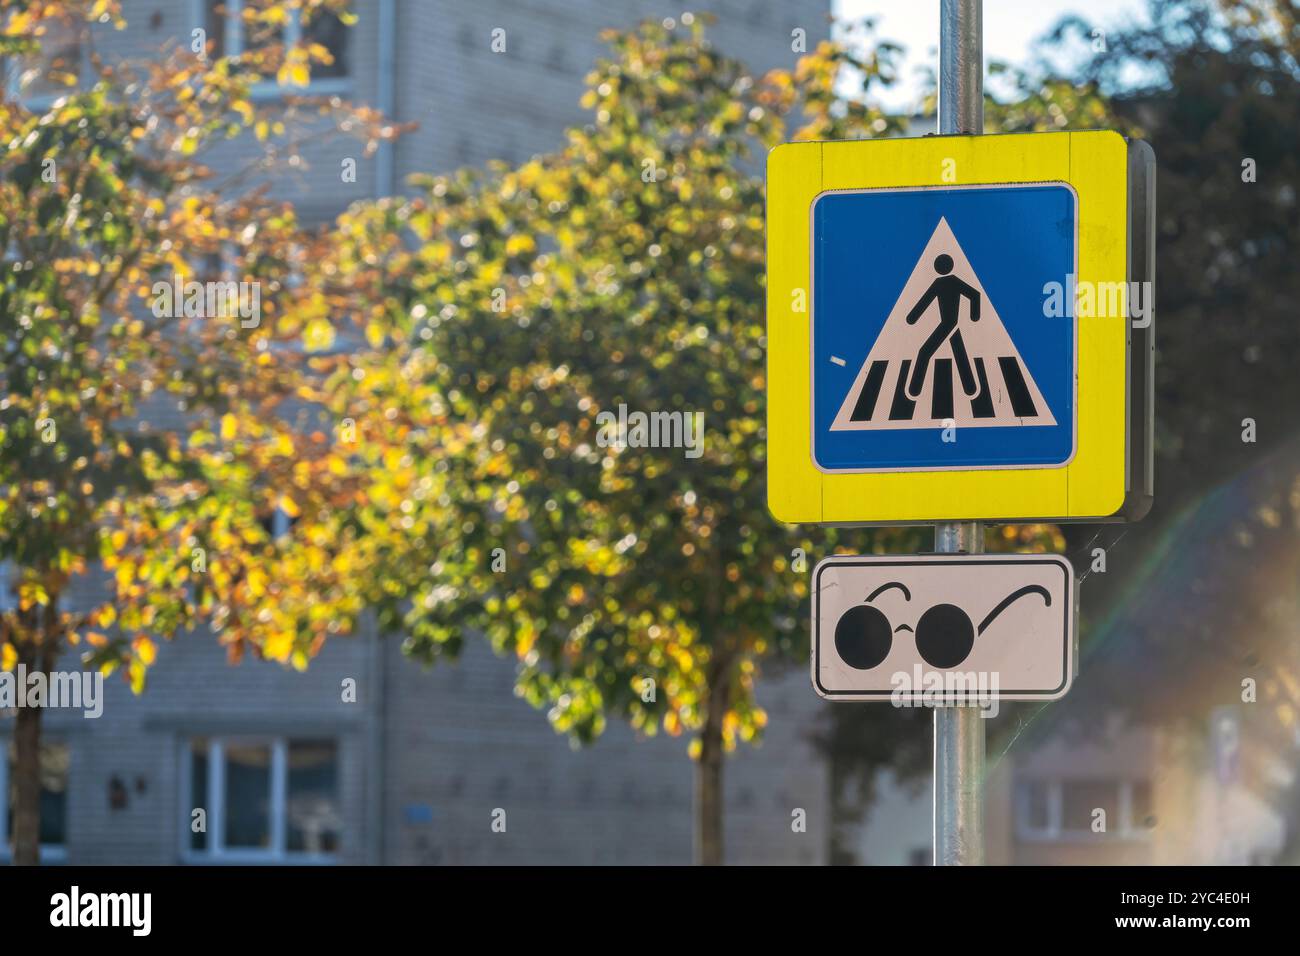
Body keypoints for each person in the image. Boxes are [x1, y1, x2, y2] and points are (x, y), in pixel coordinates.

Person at [904, 253, 980, 399]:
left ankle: (914, 390)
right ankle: (971, 388)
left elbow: (974, 295)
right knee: (960, 354)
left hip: (948, 324)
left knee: (924, 352)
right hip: (951, 324)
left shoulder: (943, 283)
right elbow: (974, 295)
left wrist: (912, 318)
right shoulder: (948, 282)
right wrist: (912, 318)